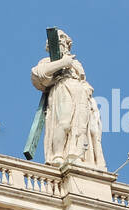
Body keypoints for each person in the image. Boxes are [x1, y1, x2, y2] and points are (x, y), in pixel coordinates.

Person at [30, 29, 104, 169]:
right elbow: (38, 75)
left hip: (80, 92)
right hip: (63, 87)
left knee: (81, 127)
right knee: (64, 123)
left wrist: (87, 89)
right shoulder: (47, 61)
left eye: (63, 40)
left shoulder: (77, 64)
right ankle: (58, 155)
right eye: (59, 41)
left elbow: (83, 80)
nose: (61, 43)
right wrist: (63, 62)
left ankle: (76, 155)